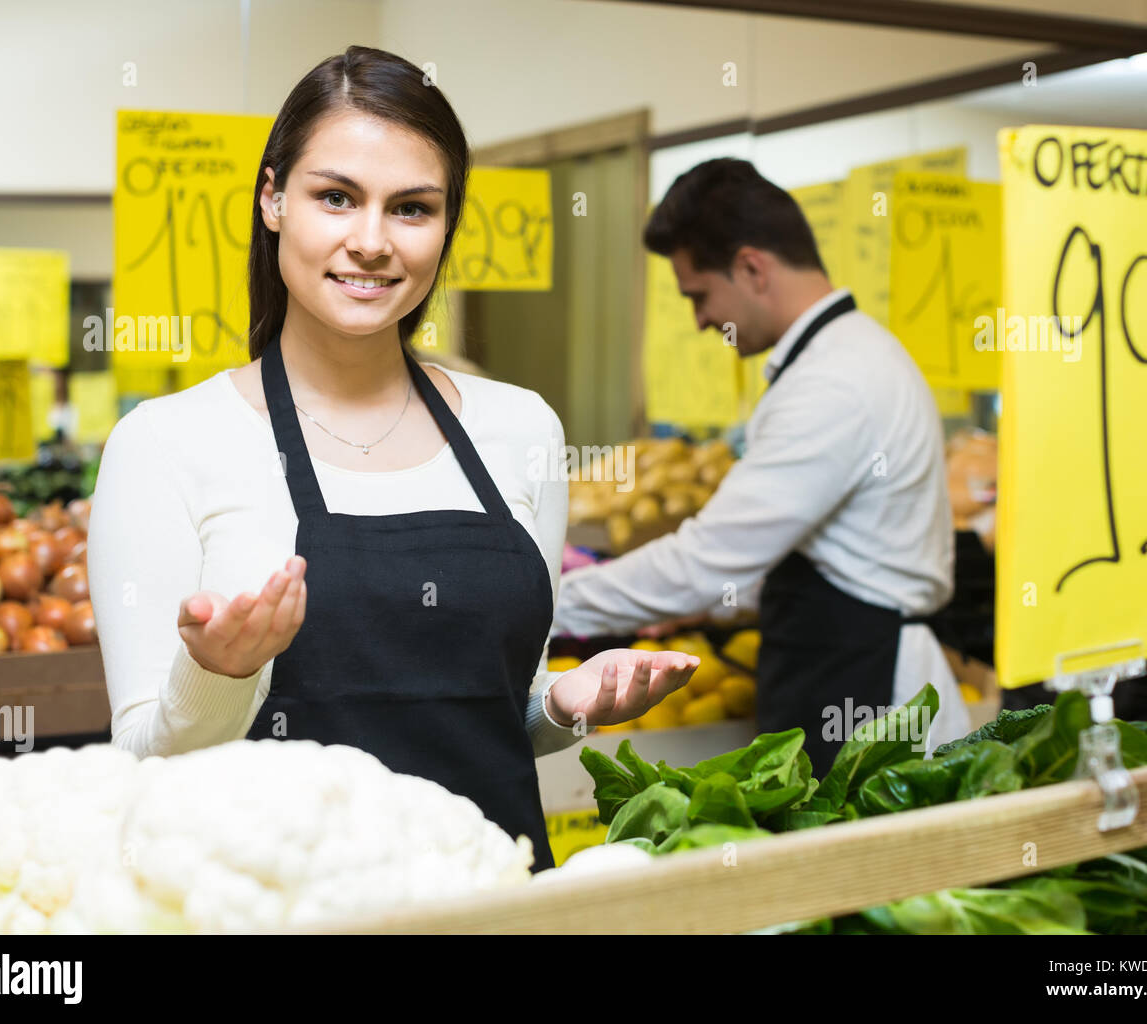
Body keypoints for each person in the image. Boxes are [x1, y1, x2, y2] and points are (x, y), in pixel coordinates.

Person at [87, 46, 699, 874]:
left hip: (498, 905)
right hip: (278, 916)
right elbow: (142, 770)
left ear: (446, 224)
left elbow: (490, 720)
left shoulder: (521, 429)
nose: (370, 242)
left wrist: (562, 704)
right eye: (335, 197)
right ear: (273, 199)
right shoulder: (164, 443)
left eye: (411, 208)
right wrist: (218, 674)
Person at [551, 159, 969, 775]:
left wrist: (543, 602)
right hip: (845, 662)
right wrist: (718, 601)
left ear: (751, 267)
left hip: (866, 686)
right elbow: (815, 551)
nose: (697, 321)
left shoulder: (833, 381)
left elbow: (705, 561)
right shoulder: (850, 355)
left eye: (698, 295)